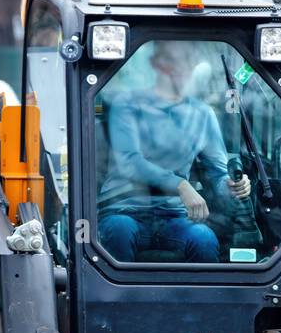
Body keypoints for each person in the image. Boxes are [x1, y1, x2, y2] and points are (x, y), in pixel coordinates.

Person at [97, 41, 251, 263]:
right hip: (124, 210)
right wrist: (180, 185)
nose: (180, 68)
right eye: (172, 60)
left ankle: (207, 297)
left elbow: (218, 173)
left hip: (174, 217)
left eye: (187, 61)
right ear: (155, 64)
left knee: (203, 238)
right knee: (119, 231)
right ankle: (114, 298)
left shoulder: (203, 115)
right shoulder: (127, 105)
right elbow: (130, 161)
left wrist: (233, 186)